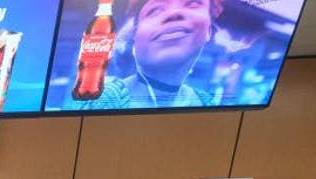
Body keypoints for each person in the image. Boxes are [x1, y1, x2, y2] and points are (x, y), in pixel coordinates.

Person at [70, 0, 223, 110]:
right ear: (134, 35)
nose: (175, 13)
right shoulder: (105, 97)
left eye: (192, 3)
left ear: (208, 30)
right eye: (156, 10)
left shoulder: (206, 102)